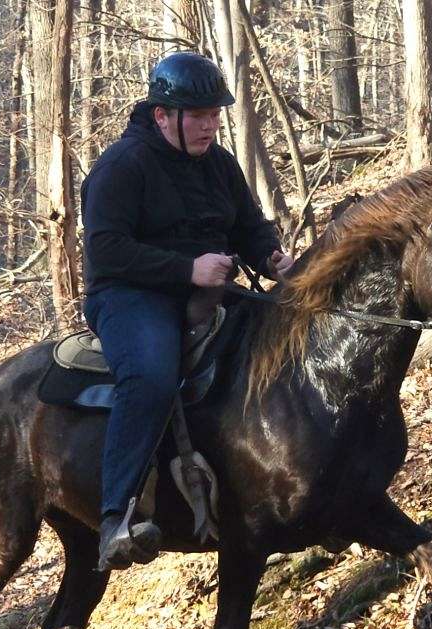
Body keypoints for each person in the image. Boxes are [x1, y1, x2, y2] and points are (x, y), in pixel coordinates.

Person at [81, 51, 294, 571]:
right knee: (152, 375)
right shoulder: (120, 168)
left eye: (215, 115)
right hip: (129, 296)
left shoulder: (219, 163)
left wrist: (274, 259)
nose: (209, 125)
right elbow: (105, 250)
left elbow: (247, 225)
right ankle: (118, 516)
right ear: (162, 116)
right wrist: (187, 270)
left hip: (212, 287)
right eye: (198, 116)